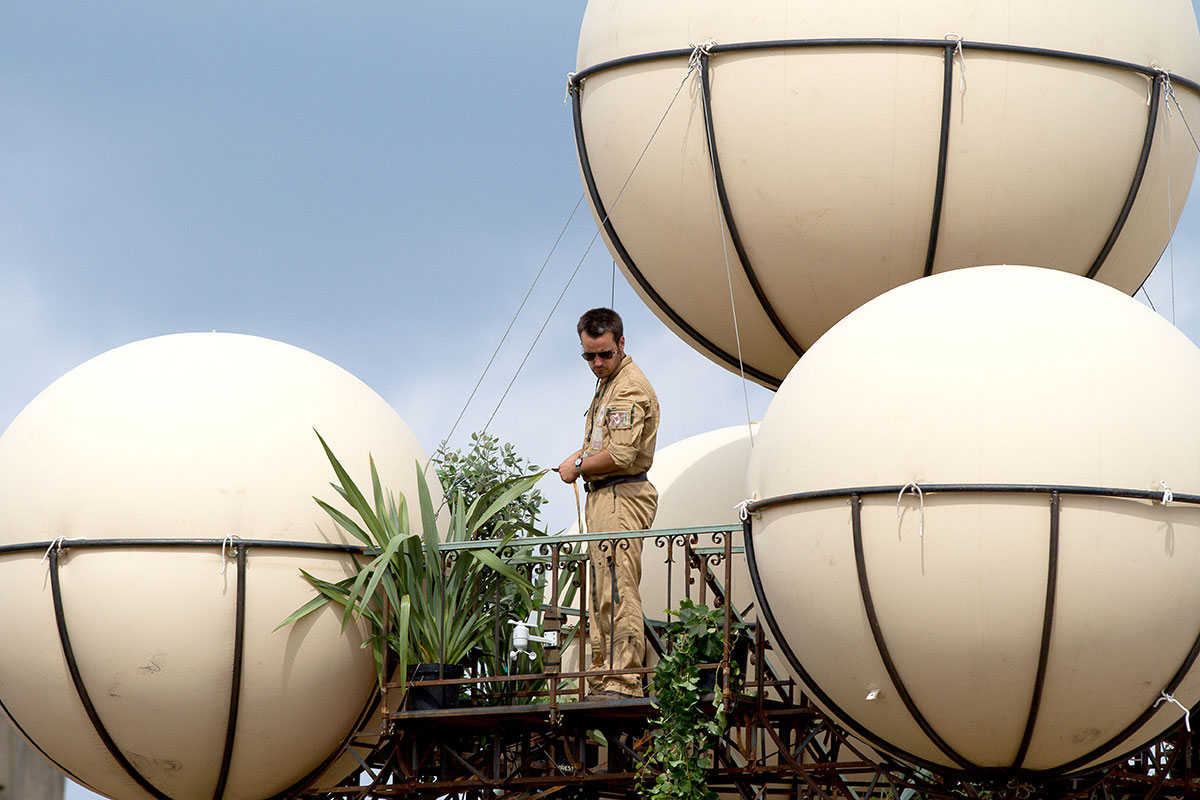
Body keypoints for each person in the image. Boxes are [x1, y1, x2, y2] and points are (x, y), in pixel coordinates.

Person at [558, 307, 659, 698]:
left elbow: (618, 455)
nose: (597, 363)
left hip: (621, 493)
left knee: (617, 588)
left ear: (621, 343)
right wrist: (579, 459)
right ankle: (604, 673)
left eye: (604, 354)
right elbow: (602, 444)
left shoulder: (629, 387)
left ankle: (624, 677)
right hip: (605, 496)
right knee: (602, 588)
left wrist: (578, 464)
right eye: (589, 356)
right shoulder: (609, 383)